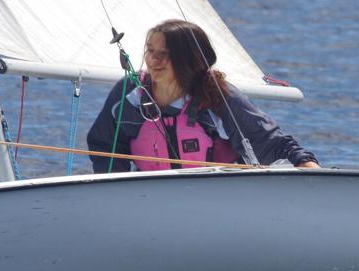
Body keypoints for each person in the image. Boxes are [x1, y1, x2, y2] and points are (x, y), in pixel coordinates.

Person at [88, 19, 320, 173]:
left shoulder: (219, 95)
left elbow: (272, 142)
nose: (153, 60)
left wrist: (309, 169)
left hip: (216, 201)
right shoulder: (129, 94)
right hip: (150, 200)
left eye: (165, 54)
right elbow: (103, 145)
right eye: (150, 51)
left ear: (188, 60)